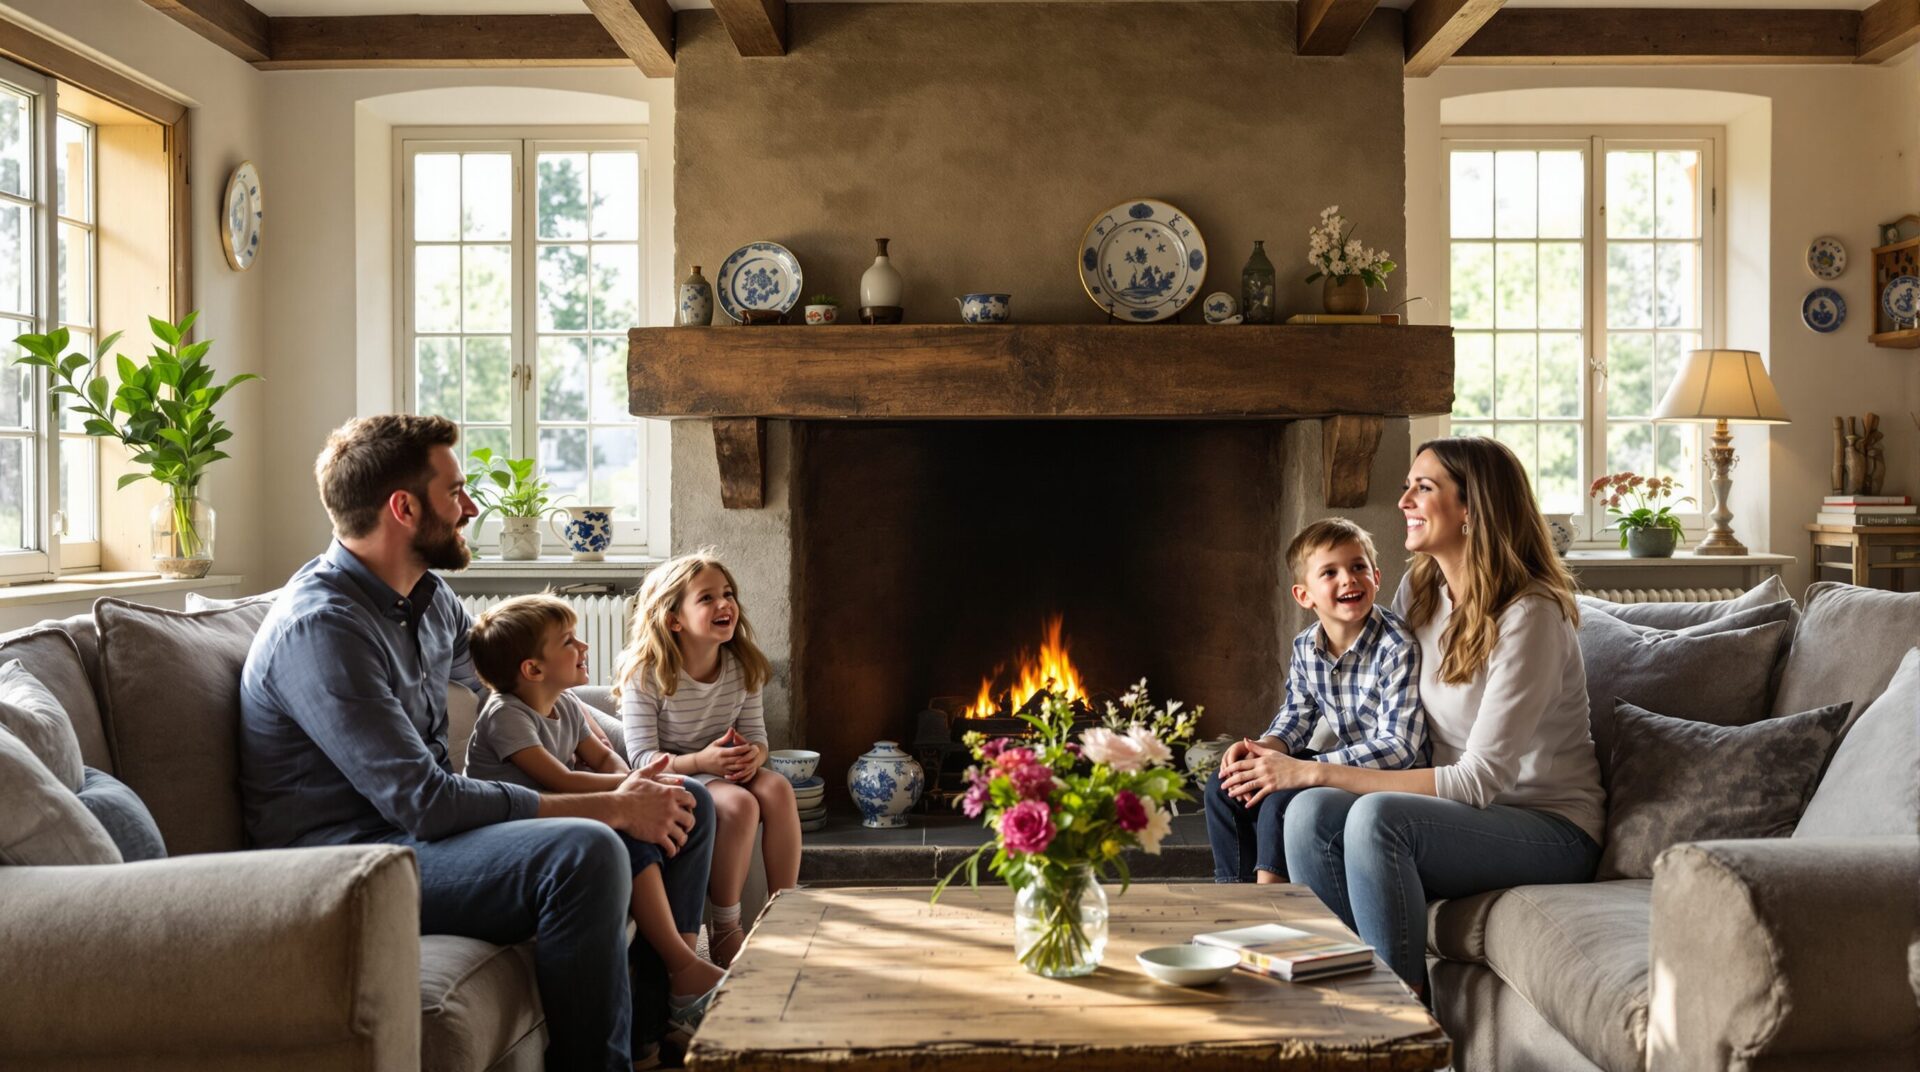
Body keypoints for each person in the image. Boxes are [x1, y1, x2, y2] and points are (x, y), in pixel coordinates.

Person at [239, 414, 712, 1072]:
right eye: (455, 492)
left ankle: (659, 1031)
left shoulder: (425, 598)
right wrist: (610, 805)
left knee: (684, 798)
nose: (470, 507)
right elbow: (427, 804)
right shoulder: (323, 631)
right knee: (588, 852)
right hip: (346, 868)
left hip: (420, 842)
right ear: (403, 508)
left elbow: (524, 684)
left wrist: (634, 769)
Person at [1243, 437, 1603, 996]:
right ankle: (1338, 1009)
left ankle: (1407, 1029)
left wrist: (1316, 768)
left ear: (1471, 509)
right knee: (1309, 811)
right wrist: (1279, 748)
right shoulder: (1422, 589)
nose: (1403, 499)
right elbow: (1358, 685)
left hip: (1549, 827)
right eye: (1408, 484)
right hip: (1454, 818)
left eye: (1423, 487)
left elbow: (1479, 780)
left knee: (1376, 817)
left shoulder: (1529, 615)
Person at [465, 594, 729, 1028]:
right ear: (533, 670)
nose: (584, 648)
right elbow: (560, 781)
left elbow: (605, 760)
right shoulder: (505, 715)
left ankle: (673, 985)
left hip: (574, 811)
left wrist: (636, 782)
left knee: (692, 796)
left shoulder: (567, 704)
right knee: (625, 829)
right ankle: (682, 965)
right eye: (569, 641)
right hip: (525, 826)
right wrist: (631, 792)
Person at [1205, 517, 1429, 884]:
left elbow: (1399, 747)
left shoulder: (1397, 646)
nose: (1349, 579)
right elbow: (1298, 713)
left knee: (1283, 795)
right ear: (1304, 595)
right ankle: (1235, 900)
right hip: (1337, 766)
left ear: (1377, 576)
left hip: (1388, 780)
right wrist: (1264, 749)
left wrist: (1300, 770)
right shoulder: (1306, 646)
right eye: (1330, 572)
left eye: (1358, 567)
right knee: (1224, 785)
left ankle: (1271, 905)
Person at [615, 549, 800, 969]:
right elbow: (641, 757)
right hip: (679, 772)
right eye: (707, 598)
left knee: (777, 788)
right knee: (741, 803)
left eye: (729, 594)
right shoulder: (646, 672)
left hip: (721, 765)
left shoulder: (742, 665)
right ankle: (725, 928)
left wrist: (754, 756)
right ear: (673, 619)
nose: (725, 604)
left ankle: (785, 913)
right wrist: (702, 761)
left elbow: (758, 738)